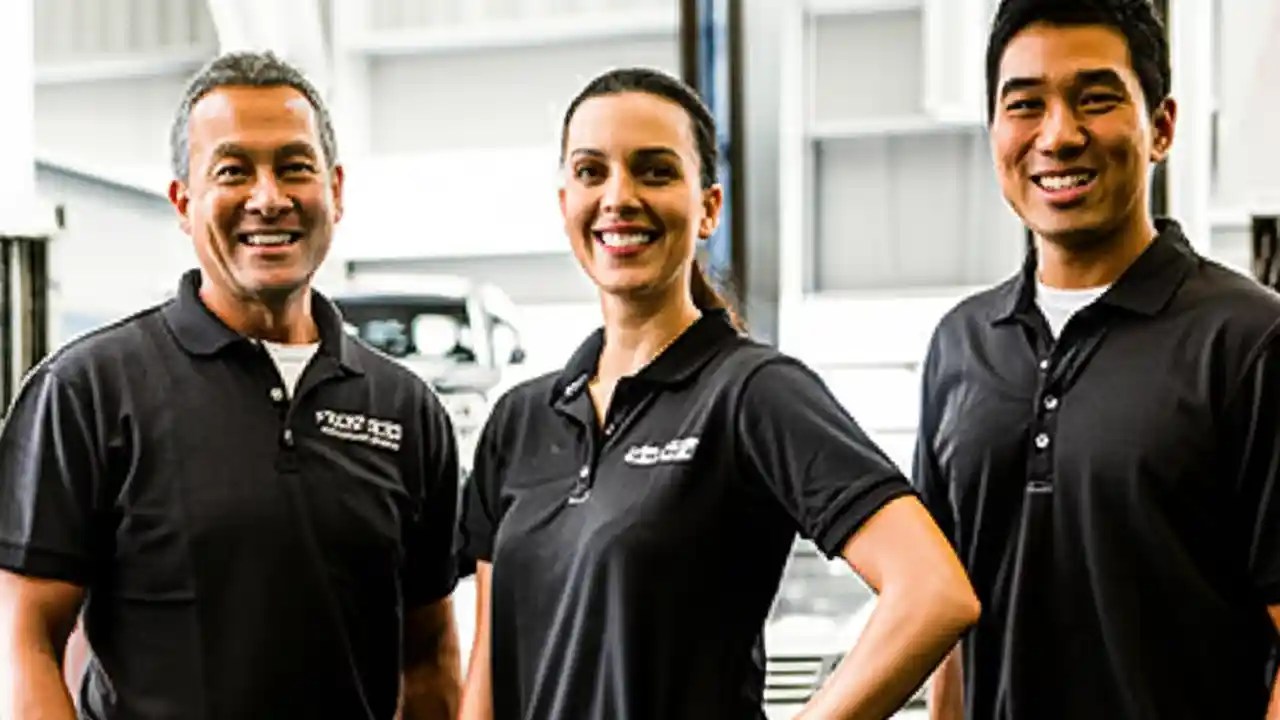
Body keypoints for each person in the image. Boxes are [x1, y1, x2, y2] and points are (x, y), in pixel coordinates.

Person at [455, 66, 980, 720]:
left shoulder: (752, 393)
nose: (619, 196)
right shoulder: (520, 420)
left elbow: (933, 591)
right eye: (592, 172)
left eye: (654, 171)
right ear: (564, 201)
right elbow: (488, 674)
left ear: (708, 208)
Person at [0, 51, 462, 719]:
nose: (268, 198)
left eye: (294, 167)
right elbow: (27, 639)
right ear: (184, 203)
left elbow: (430, 655)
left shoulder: (407, 410)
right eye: (233, 171)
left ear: (335, 190)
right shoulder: (85, 392)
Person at [914, 1, 1280, 718]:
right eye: (1025, 105)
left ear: (1161, 127)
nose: (1058, 135)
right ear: (994, 132)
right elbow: (952, 626)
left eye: (1095, 100)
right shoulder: (959, 345)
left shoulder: (1250, 341)